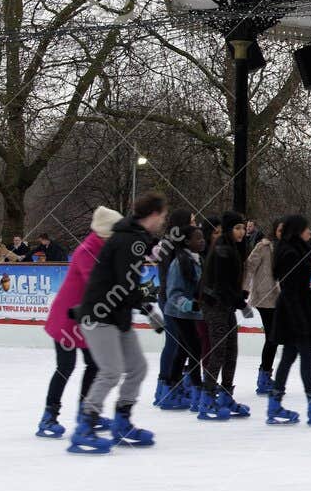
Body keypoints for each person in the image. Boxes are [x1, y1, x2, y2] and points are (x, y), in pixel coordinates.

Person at [72, 193, 168, 453]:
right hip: (99, 314)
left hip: (118, 315)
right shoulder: (129, 240)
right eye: (163, 216)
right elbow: (124, 284)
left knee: (137, 367)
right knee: (111, 371)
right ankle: (85, 426)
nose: (163, 221)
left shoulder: (135, 238)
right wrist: (149, 308)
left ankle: (122, 421)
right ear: (154, 214)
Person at [37, 207, 115, 439]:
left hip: (87, 320)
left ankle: (86, 412)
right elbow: (96, 284)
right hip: (67, 319)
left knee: (95, 364)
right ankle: (48, 417)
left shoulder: (104, 248)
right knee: (65, 367)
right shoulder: (87, 251)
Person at [268, 215, 311, 425]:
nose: (310, 232)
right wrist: (299, 320)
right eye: (307, 229)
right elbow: (289, 289)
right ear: (298, 231)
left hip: (298, 307)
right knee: (306, 356)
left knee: (289, 356)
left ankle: (275, 404)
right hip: (294, 310)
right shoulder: (289, 252)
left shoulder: (297, 248)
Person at [197, 211, 253, 420]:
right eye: (237, 228)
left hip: (226, 305)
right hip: (214, 306)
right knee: (219, 351)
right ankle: (207, 398)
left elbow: (230, 283)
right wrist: (241, 302)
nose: (241, 231)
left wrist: (240, 296)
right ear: (229, 229)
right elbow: (220, 284)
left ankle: (226, 395)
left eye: (243, 227)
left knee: (232, 351)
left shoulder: (233, 248)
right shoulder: (222, 249)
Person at [160, 223, 205, 410]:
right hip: (179, 312)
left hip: (190, 312)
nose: (202, 241)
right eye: (198, 238)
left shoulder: (197, 260)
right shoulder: (179, 262)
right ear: (187, 241)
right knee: (194, 348)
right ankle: (196, 390)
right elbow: (174, 293)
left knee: (184, 350)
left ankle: (172, 388)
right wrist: (190, 304)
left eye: (203, 238)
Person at [244, 218, 284, 395]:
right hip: (264, 297)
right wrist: (245, 289)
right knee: (272, 337)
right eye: (280, 229)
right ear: (274, 230)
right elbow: (249, 267)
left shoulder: (287, 248)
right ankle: (264, 376)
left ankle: (265, 375)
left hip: (280, 298)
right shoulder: (263, 246)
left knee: (275, 337)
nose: (283, 233)